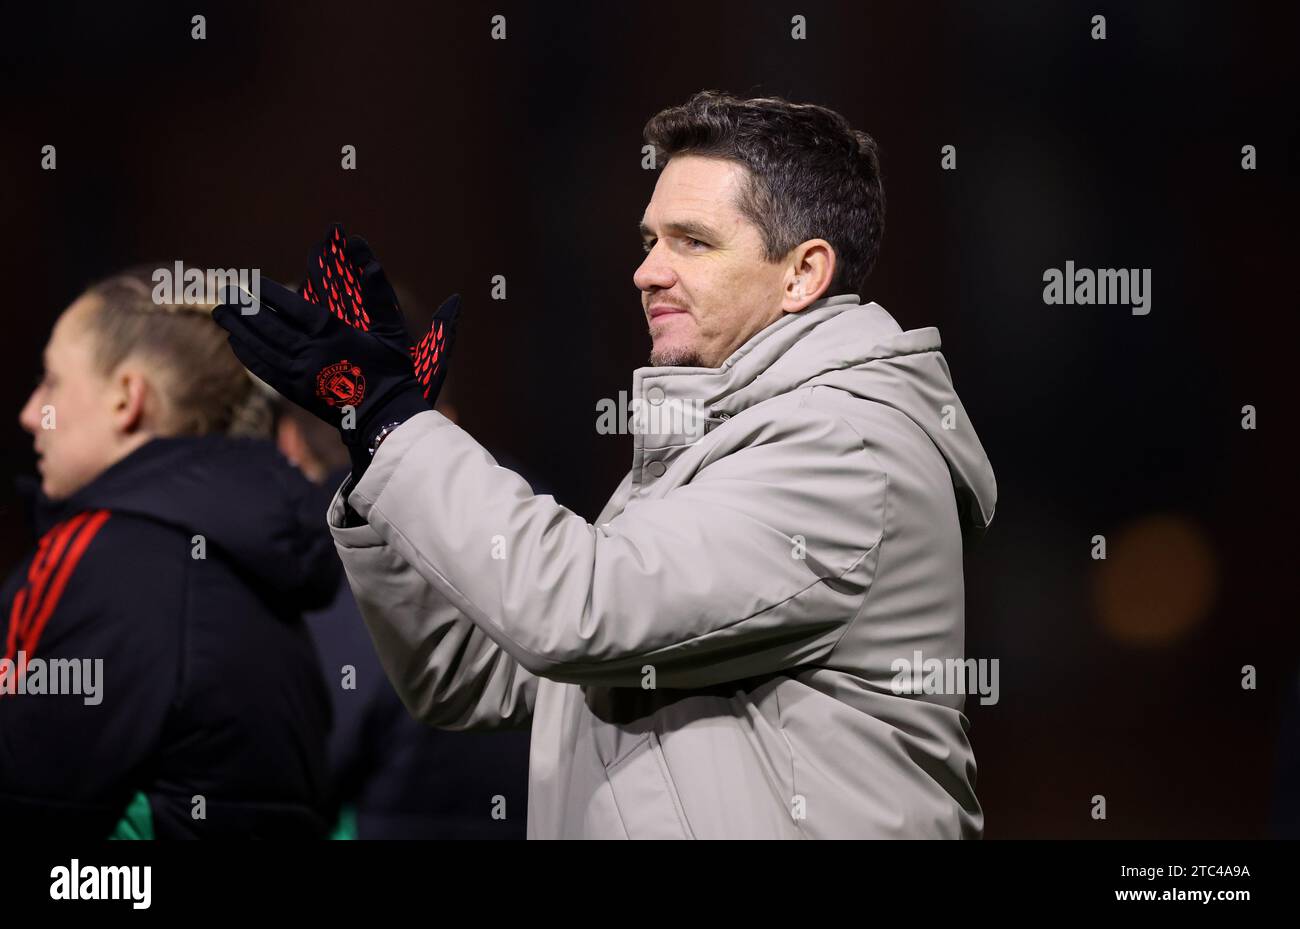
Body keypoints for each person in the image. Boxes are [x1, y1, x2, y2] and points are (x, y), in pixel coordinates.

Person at [216, 90, 999, 839]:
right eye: (650, 240)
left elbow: (578, 611)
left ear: (803, 272)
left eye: (692, 241)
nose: (648, 270)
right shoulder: (717, 445)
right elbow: (468, 674)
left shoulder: (843, 446)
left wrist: (398, 423)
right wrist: (374, 444)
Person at [1, 269, 336, 838]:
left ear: (126, 399)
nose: (30, 413)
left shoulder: (100, 556)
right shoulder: (259, 558)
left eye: (52, 382)